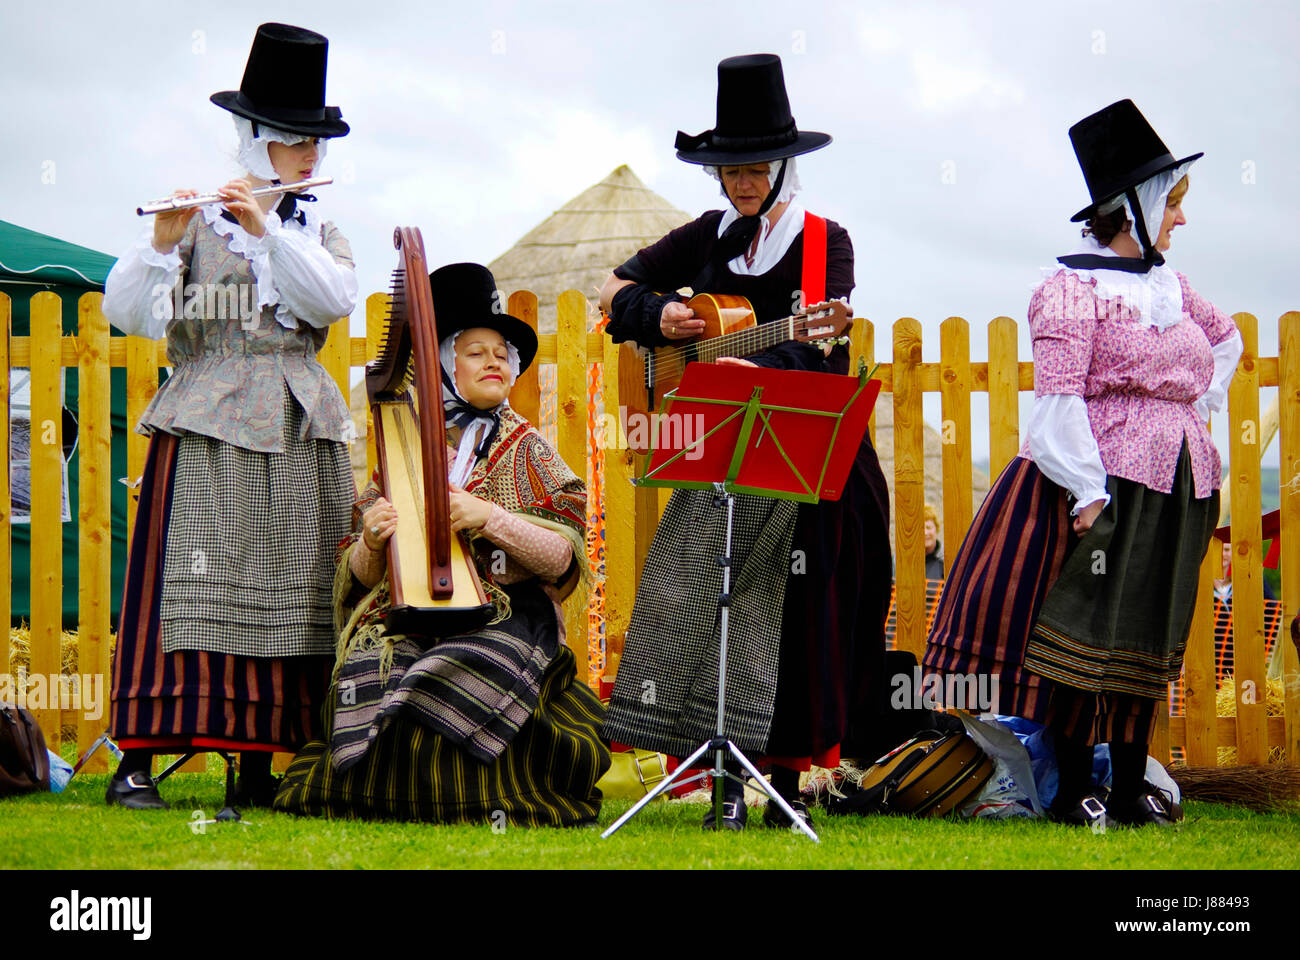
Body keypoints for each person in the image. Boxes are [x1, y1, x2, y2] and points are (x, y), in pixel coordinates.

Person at [923, 100, 1242, 827]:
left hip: (1176, 483)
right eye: (1175, 205)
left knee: (1148, 635)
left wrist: (1191, 413)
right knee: (1079, 637)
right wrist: (1088, 491)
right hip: (1098, 482)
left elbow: (1223, 346)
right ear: (1133, 206)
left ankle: (1128, 789)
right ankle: (1072, 792)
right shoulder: (1070, 288)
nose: (1181, 221)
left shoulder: (1174, 287)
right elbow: (1059, 400)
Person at [598, 54, 892, 831]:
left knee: (799, 612)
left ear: (784, 164)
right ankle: (725, 777)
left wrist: (748, 362)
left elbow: (819, 348)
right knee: (713, 606)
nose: (742, 183)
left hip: (801, 451)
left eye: (756, 167)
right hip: (725, 453)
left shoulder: (827, 243)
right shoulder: (705, 237)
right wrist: (660, 316)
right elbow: (614, 289)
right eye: (729, 169)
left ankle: (788, 784)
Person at [101, 23, 358, 809]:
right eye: (290, 139)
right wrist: (159, 243)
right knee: (190, 580)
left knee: (297, 586)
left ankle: (260, 761)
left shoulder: (314, 230)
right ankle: (138, 761)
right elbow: (135, 318)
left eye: (315, 139)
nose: (308, 155)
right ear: (252, 140)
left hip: (297, 422)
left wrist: (268, 229)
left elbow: (333, 301)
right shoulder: (198, 225)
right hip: (211, 418)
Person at [272, 263, 610, 826]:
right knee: (376, 667)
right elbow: (356, 573)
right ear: (442, 366)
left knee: (459, 664)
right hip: (412, 613)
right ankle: (380, 794)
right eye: (476, 351)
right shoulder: (404, 448)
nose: (495, 361)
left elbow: (564, 558)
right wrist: (373, 545)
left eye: (502, 352)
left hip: (508, 616)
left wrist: (490, 517)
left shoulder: (528, 446)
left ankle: (470, 796)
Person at [923, 502, 944, 580]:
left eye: (928, 527)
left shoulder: (945, 560)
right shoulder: (899, 562)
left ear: (936, 528)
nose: (925, 533)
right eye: (921, 528)